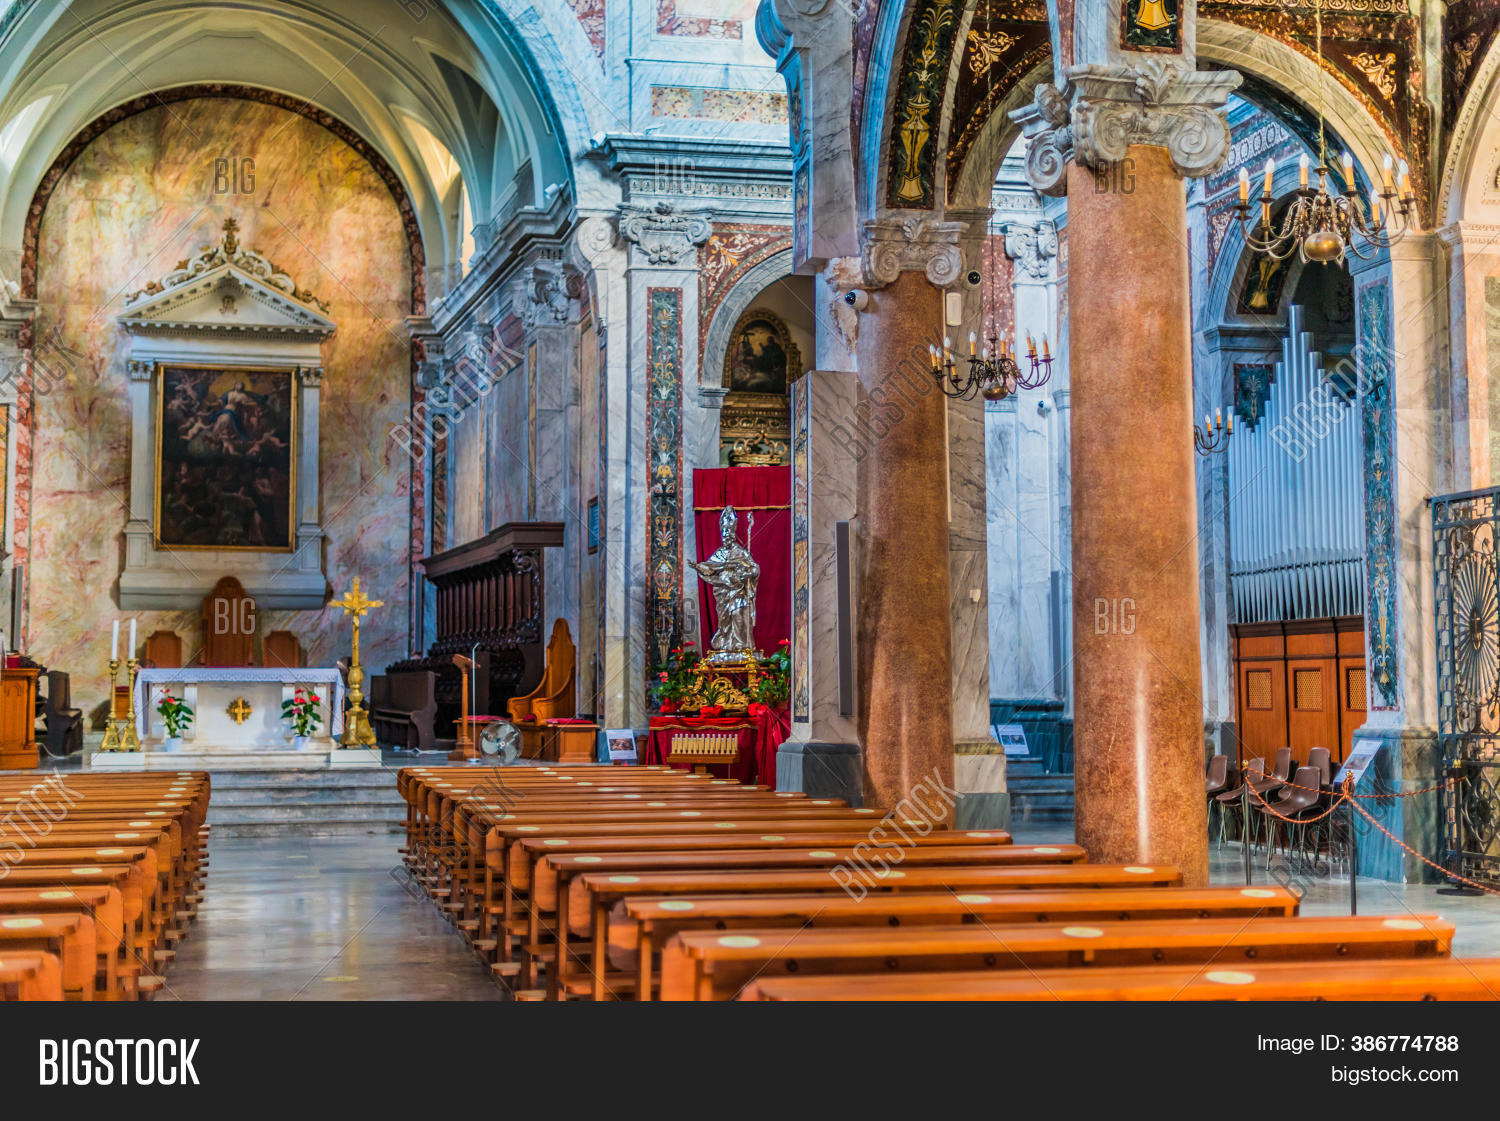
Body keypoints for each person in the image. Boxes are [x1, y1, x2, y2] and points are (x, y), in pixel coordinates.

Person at [690, 505, 760, 663]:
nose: (726, 536)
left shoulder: (740, 553)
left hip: (738, 594)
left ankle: (742, 647)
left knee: (739, 616)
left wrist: (747, 573)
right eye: (724, 533)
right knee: (724, 620)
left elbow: (755, 569)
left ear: (733, 534)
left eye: (729, 533)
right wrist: (699, 567)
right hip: (723, 596)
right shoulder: (718, 554)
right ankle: (726, 644)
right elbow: (709, 569)